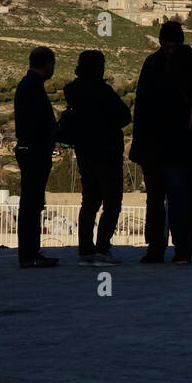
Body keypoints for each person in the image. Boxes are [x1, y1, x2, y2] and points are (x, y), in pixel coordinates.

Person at [131, 22, 192, 265]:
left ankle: (173, 250)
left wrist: (143, 143)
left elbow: (143, 109)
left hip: (165, 150)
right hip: (190, 152)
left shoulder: (156, 72)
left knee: (168, 201)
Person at [61, 50, 130, 266]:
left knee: (89, 201)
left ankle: (86, 250)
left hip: (84, 151)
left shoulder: (73, 92)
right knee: (112, 202)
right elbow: (125, 116)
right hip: (107, 152)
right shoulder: (103, 91)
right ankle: (102, 248)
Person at [14, 46, 59, 268]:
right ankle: (29, 254)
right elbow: (39, 123)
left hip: (30, 150)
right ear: (47, 64)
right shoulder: (33, 87)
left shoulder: (28, 84)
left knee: (31, 203)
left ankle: (30, 253)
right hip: (34, 152)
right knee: (31, 204)